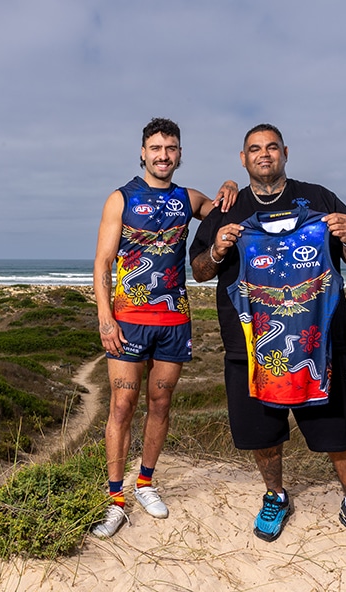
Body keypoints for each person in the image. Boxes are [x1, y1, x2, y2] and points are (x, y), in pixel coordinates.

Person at [188, 123, 346, 555]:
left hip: (324, 344)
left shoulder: (319, 201)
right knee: (263, 432)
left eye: (272, 147)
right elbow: (200, 270)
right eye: (255, 149)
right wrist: (219, 250)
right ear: (243, 159)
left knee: (340, 430)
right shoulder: (227, 210)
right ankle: (275, 496)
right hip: (250, 347)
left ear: (285, 153)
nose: (264, 155)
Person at [91, 117, 237, 538]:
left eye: (170, 148)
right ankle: (115, 497)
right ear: (142, 152)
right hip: (128, 322)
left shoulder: (187, 198)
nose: (163, 155)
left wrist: (228, 184)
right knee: (121, 407)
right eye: (155, 148)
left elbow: (229, 214)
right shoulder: (121, 199)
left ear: (179, 154)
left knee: (160, 405)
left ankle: (145, 483)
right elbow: (102, 263)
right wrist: (105, 318)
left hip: (174, 320)